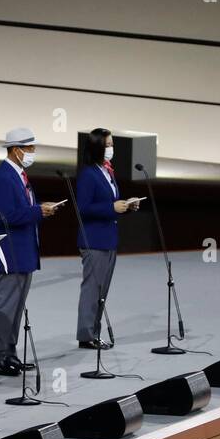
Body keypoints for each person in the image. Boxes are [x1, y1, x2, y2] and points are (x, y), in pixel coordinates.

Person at [0, 127, 63, 375]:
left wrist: (40, 208)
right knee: (5, 308)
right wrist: (38, 211)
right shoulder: (4, 177)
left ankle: (10, 354)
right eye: (30, 149)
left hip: (24, 253)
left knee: (16, 309)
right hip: (11, 254)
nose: (32, 153)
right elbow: (5, 216)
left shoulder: (19, 175)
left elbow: (24, 209)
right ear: (16, 149)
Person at [75, 128, 140, 349]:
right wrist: (111, 207)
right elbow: (83, 208)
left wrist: (126, 206)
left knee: (102, 291)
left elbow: (112, 205)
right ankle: (86, 335)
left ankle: (94, 331)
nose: (112, 148)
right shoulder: (88, 174)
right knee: (92, 289)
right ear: (97, 147)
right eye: (108, 144)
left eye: (112, 144)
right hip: (94, 240)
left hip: (109, 238)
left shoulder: (107, 171)